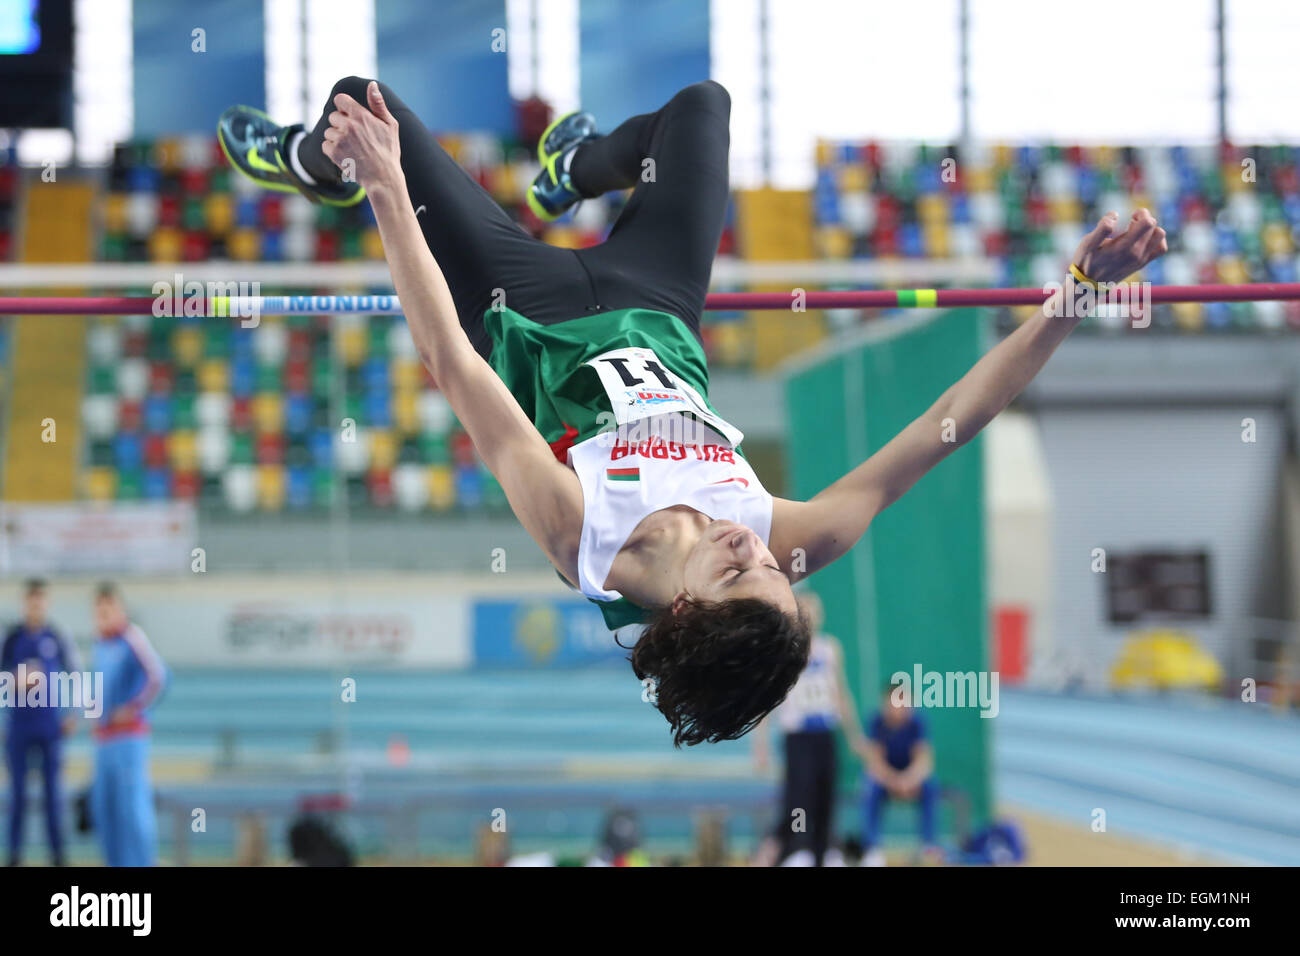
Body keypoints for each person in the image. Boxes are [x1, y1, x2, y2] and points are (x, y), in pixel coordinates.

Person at [218, 77, 1166, 746]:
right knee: (699, 110)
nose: (756, 549)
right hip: (655, 297)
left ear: (684, 610)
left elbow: (452, 364)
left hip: (522, 300)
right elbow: (951, 421)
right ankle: (576, 168)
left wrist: (383, 184)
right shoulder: (788, 536)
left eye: (739, 571)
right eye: (771, 569)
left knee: (366, 106)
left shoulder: (585, 536)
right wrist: (1077, 291)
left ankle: (307, 162)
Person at [752, 591, 868, 866]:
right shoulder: (784, 649)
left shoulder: (831, 649)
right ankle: (778, 851)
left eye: (816, 609)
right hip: (798, 736)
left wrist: (854, 736)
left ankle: (819, 855)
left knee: (825, 799)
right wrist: (761, 745)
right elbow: (769, 699)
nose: (811, 614)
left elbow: (841, 694)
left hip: (825, 734)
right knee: (797, 802)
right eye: (805, 608)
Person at [1, 579, 78, 867]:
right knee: (17, 795)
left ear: (46, 603)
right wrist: (14, 680)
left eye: (40, 600)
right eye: (31, 601)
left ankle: (58, 857)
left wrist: (74, 713)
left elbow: (77, 673)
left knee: (53, 796)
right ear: (24, 604)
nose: (36, 606)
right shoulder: (11, 638)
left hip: (49, 727)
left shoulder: (57, 636)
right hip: (18, 728)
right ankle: (14, 856)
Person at [89, 583, 167, 867]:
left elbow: (158, 677)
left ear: (119, 609)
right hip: (104, 740)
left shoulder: (132, 638)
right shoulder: (99, 645)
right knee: (104, 809)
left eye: (108, 608)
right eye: (98, 610)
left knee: (131, 810)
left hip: (128, 740)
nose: (103, 614)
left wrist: (133, 708)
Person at [860, 685, 941, 866]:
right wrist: (893, 781)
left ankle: (928, 845)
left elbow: (924, 762)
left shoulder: (918, 722)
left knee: (930, 786)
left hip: (910, 779)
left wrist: (908, 780)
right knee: (869, 786)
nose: (898, 706)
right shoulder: (876, 722)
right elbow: (874, 763)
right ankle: (872, 848)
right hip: (886, 779)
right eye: (894, 701)